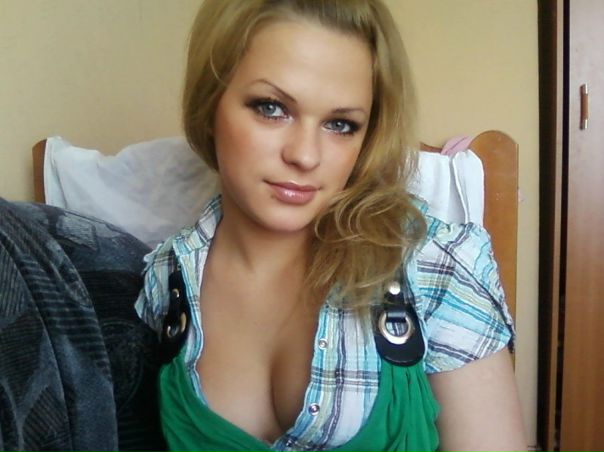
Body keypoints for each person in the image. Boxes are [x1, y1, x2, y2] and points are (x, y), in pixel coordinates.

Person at [132, 1, 528, 451]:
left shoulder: (434, 268)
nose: (305, 155)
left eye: (341, 124)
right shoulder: (169, 279)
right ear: (209, 103)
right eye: (271, 108)